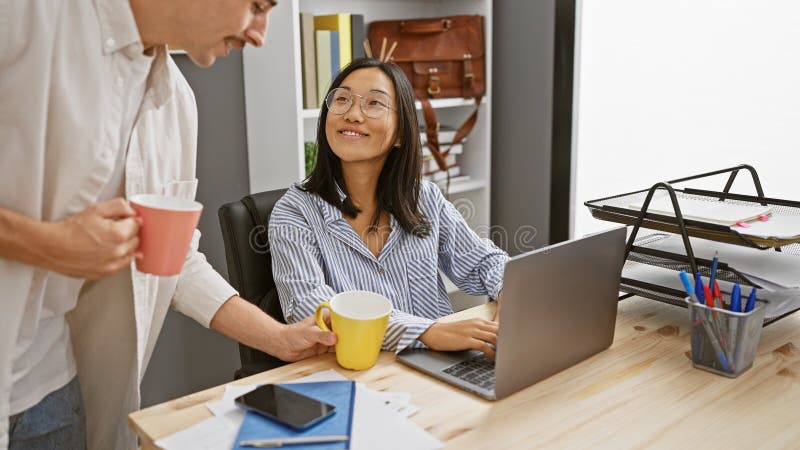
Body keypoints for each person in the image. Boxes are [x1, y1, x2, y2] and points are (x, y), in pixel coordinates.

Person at [0, 1, 336, 448]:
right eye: (257, 6)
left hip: (52, 388)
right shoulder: (24, 18)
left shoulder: (176, 104)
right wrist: (48, 244)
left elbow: (176, 257)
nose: (260, 35)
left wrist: (279, 338)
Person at [269, 58, 508, 357]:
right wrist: (427, 332)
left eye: (374, 103)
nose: (353, 114)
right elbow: (316, 311)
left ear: (400, 134)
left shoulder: (424, 198)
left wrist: (509, 293)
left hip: (441, 369)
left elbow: (483, 262)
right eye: (342, 99)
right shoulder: (294, 213)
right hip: (360, 378)